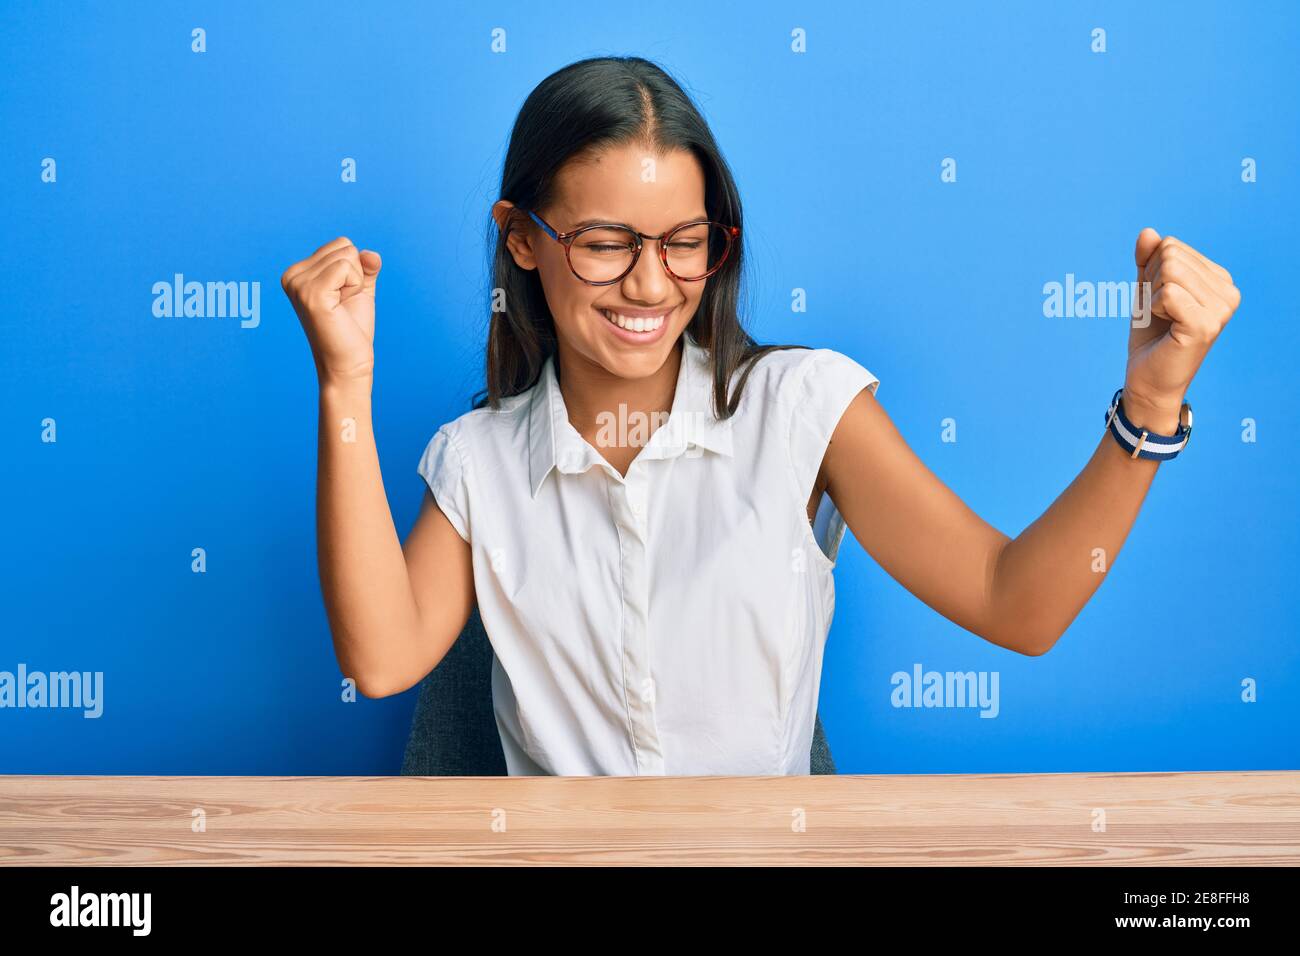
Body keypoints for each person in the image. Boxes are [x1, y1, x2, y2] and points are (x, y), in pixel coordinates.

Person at [280, 56, 1240, 776]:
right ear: (522, 240)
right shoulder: (479, 460)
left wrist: (1148, 409)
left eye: (685, 242)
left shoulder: (803, 408)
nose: (651, 284)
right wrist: (343, 385)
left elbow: (1016, 603)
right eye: (606, 243)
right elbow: (381, 657)